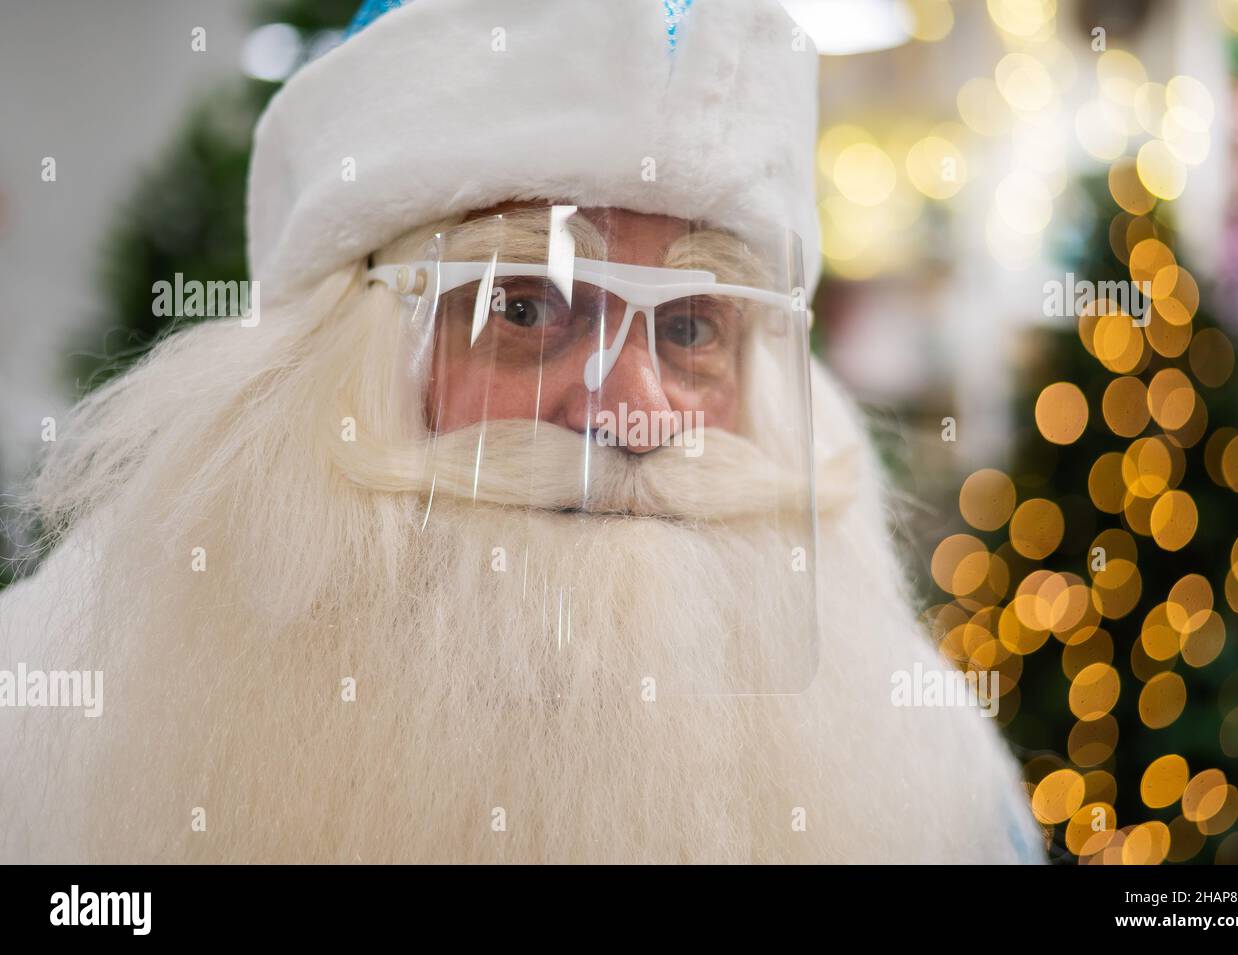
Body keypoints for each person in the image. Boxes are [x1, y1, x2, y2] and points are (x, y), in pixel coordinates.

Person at [0, 0, 1043, 863]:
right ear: (332, 368)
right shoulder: (46, 746)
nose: (632, 411)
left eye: (689, 328)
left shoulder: (932, 784)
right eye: (524, 310)